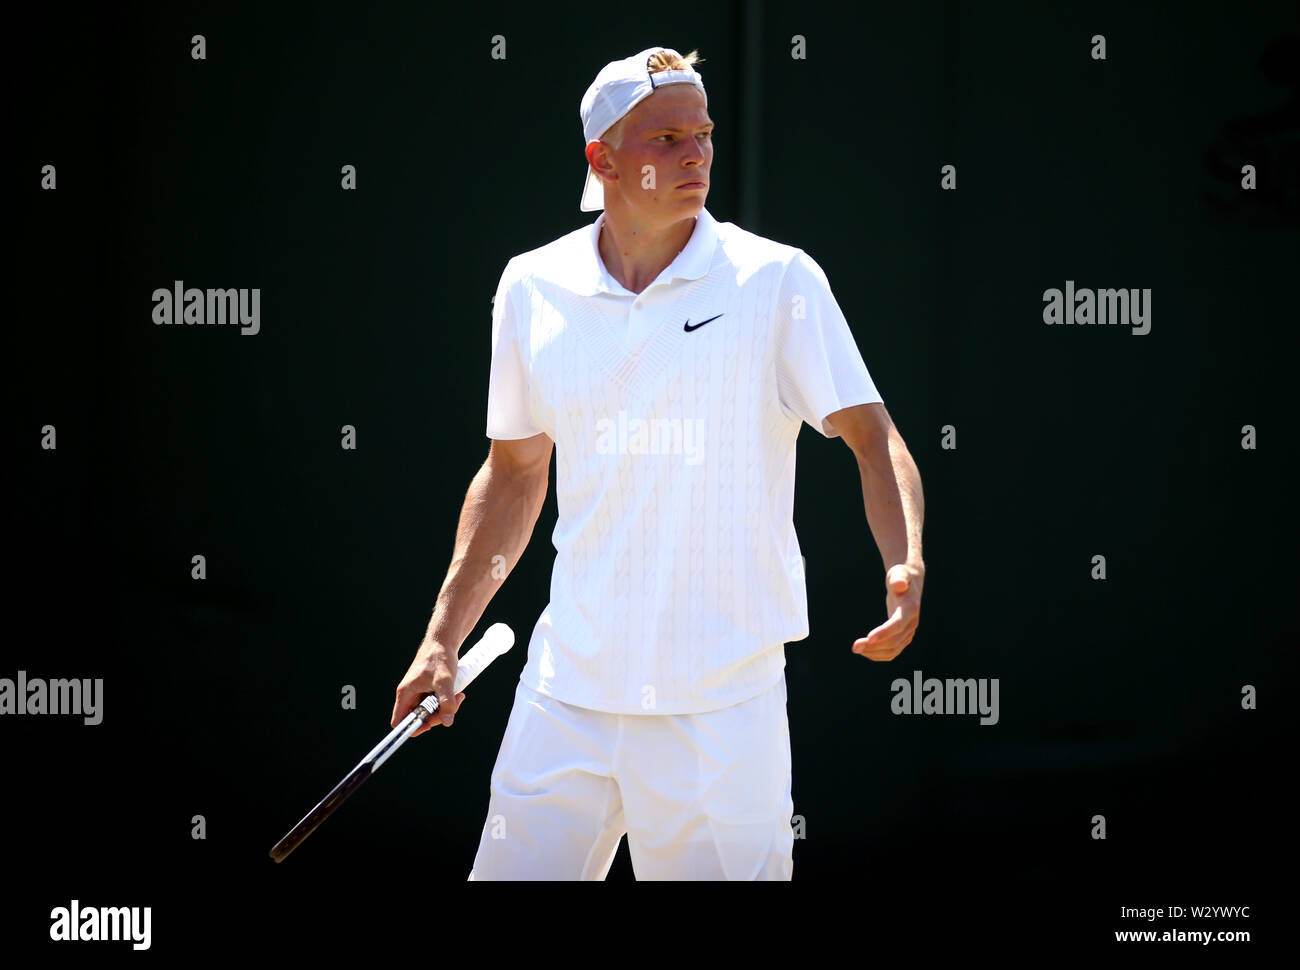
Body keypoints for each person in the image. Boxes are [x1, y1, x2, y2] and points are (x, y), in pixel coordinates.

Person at [390, 46, 925, 880]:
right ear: (601, 159)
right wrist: (442, 637)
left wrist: (906, 561)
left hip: (721, 711)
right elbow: (516, 473)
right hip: (565, 693)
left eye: (704, 133)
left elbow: (873, 436)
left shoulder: (777, 280)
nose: (697, 154)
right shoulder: (531, 286)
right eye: (666, 138)